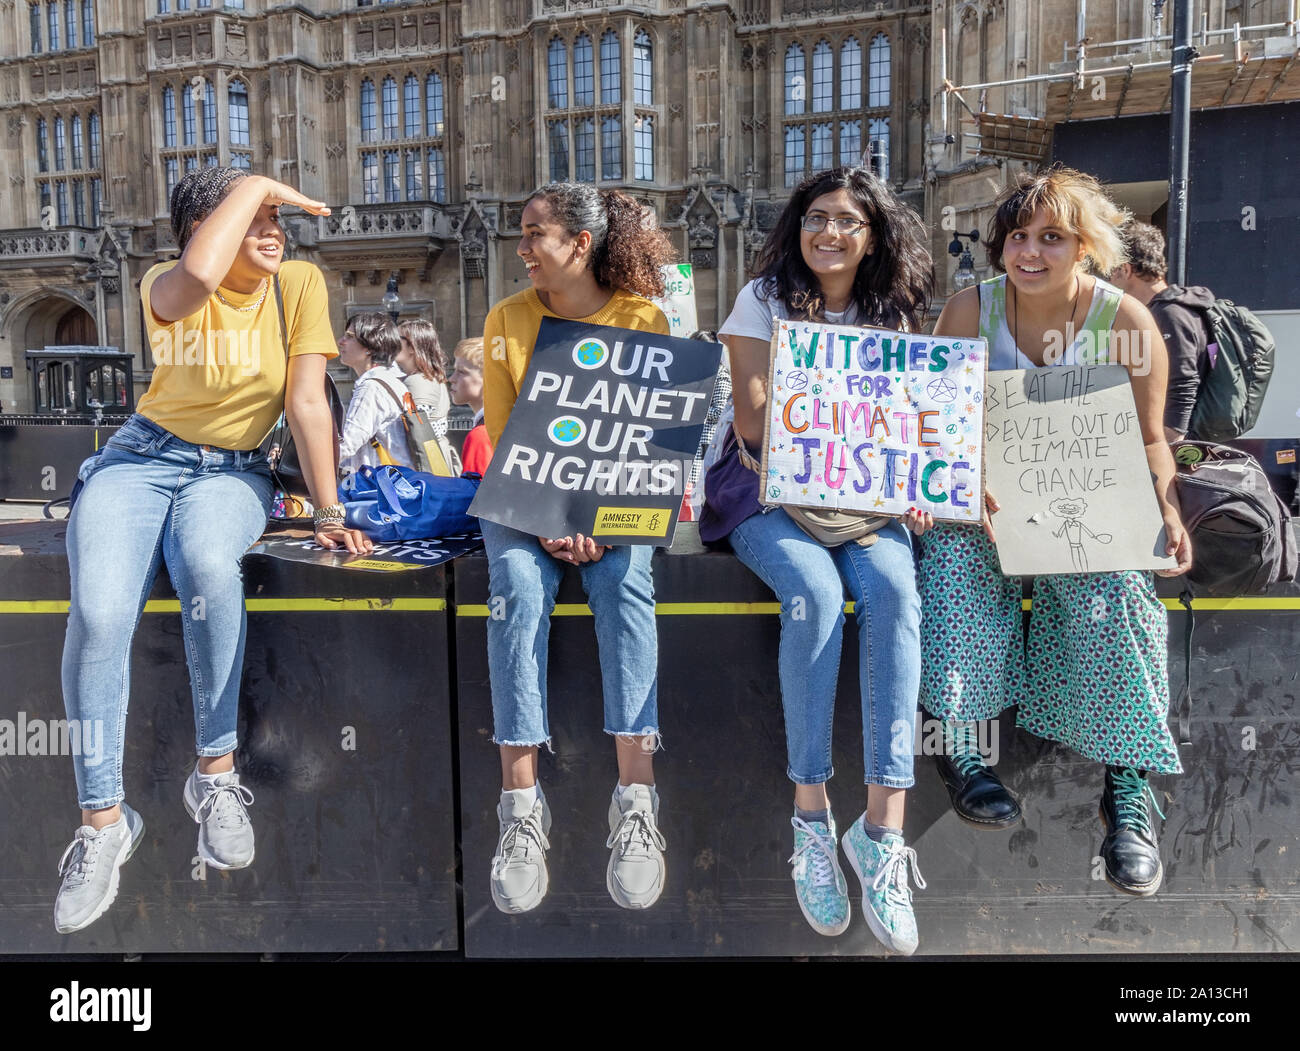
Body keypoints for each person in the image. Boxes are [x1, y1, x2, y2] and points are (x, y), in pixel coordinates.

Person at [54, 168, 371, 934]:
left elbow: (303, 402)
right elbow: (199, 269)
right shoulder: (168, 284)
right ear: (206, 228)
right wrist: (259, 181)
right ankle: (102, 822)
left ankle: (216, 774)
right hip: (139, 460)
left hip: (231, 470)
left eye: (277, 219)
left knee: (206, 567)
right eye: (256, 217)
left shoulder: (298, 284)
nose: (274, 230)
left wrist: (327, 509)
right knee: (98, 614)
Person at [915, 167, 1192, 897]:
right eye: (1017, 236)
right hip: (989, 513)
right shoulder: (968, 312)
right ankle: (962, 749)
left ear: (1086, 246)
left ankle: (1128, 789)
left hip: (1084, 513)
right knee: (948, 560)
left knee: (1121, 590)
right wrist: (960, 483)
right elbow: (938, 431)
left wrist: (1165, 509)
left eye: (1051, 237)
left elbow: (1150, 438)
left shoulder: (1126, 322)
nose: (1030, 251)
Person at [701, 166, 934, 953]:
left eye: (847, 221)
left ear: (874, 237)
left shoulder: (892, 317)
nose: (828, 233)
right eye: (815, 218)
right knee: (814, 595)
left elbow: (911, 424)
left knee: (900, 598)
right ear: (797, 229)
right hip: (769, 491)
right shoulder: (761, 300)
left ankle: (882, 832)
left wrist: (915, 475)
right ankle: (810, 817)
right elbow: (755, 421)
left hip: (863, 500)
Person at [480, 181, 675, 914]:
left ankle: (636, 802)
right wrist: (549, 517)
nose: (523, 249)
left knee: (626, 586)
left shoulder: (643, 318)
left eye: (536, 234)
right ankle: (521, 809)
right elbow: (504, 444)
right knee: (517, 590)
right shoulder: (506, 318)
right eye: (522, 235)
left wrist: (598, 516)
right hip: (525, 503)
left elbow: (651, 440)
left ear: (581, 244)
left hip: (614, 503)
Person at [1110, 221, 1215, 441]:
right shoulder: (1170, 309)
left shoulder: (1169, 314)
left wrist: (1167, 446)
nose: (1109, 280)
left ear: (1126, 269)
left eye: (1112, 271)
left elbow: (1183, 385)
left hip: (1176, 446)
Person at [336, 312, 413, 475]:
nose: (340, 342)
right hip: (400, 481)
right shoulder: (392, 382)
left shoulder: (371, 387)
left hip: (381, 488)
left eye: (349, 337)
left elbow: (347, 445)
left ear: (370, 347)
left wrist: (304, 461)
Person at [397, 318, 460, 473]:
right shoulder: (425, 377)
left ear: (412, 347)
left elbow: (418, 432)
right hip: (434, 458)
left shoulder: (419, 381)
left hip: (429, 464)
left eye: (398, 339)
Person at [448, 337, 493, 476]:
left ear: (490, 378)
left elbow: (476, 495)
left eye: (462, 372)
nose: (451, 379)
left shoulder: (481, 435)